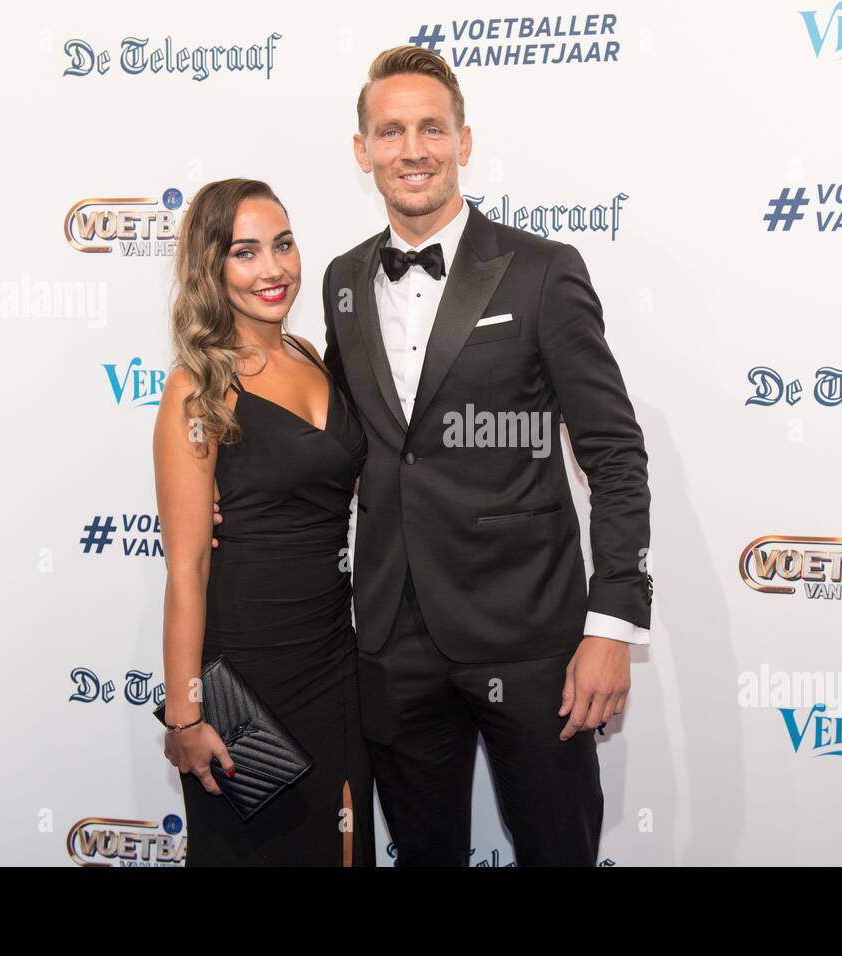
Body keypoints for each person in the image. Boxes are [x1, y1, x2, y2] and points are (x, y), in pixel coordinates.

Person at [215, 46, 652, 866]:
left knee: (559, 851)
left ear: (464, 141)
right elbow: (341, 443)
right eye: (390, 132)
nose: (411, 150)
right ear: (362, 152)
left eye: (429, 129)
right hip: (389, 641)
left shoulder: (543, 271)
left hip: (531, 640)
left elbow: (617, 455)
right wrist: (230, 499)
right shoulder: (343, 281)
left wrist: (611, 625)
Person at [154, 178, 373, 866]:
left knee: (342, 845)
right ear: (211, 269)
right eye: (245, 253)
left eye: (282, 244)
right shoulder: (197, 386)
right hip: (247, 672)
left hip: (335, 656)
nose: (273, 269)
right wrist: (186, 712)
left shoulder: (311, 355)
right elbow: (187, 568)